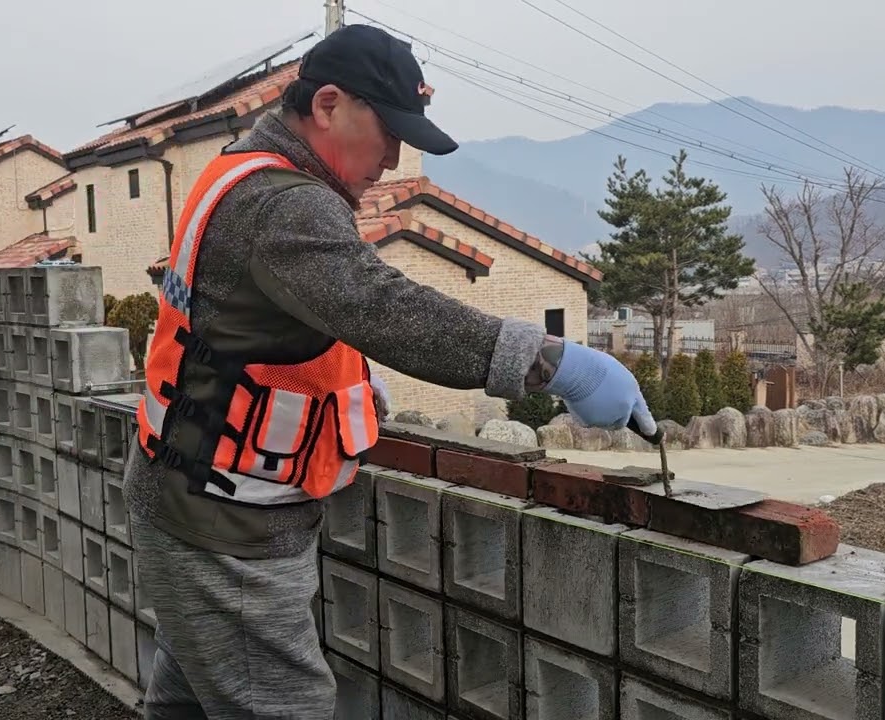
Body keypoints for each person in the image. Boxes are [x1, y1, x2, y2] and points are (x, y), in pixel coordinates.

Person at [123, 23, 658, 719]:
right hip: (225, 522)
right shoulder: (285, 204)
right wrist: (554, 361)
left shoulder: (239, 167)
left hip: (187, 491)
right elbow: (383, 307)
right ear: (328, 105)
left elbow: (276, 327)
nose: (397, 157)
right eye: (390, 132)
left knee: (191, 702)